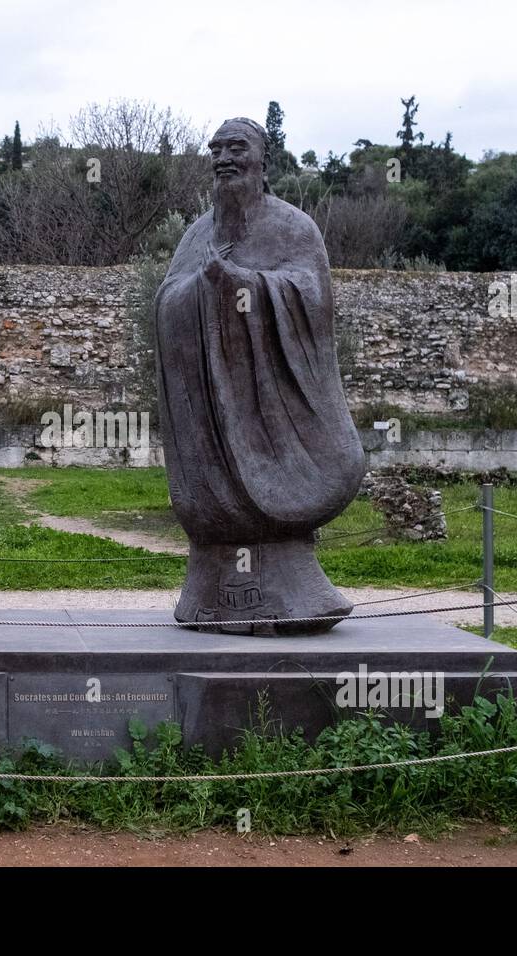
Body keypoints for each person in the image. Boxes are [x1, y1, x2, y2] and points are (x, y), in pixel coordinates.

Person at [154, 117, 365, 633]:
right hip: (213, 410)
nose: (225, 158)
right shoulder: (197, 233)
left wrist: (243, 285)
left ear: (262, 159)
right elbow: (166, 301)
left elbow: (311, 296)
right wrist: (203, 292)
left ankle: (289, 588)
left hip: (271, 402)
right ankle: (215, 589)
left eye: (237, 148)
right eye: (217, 149)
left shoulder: (295, 227)